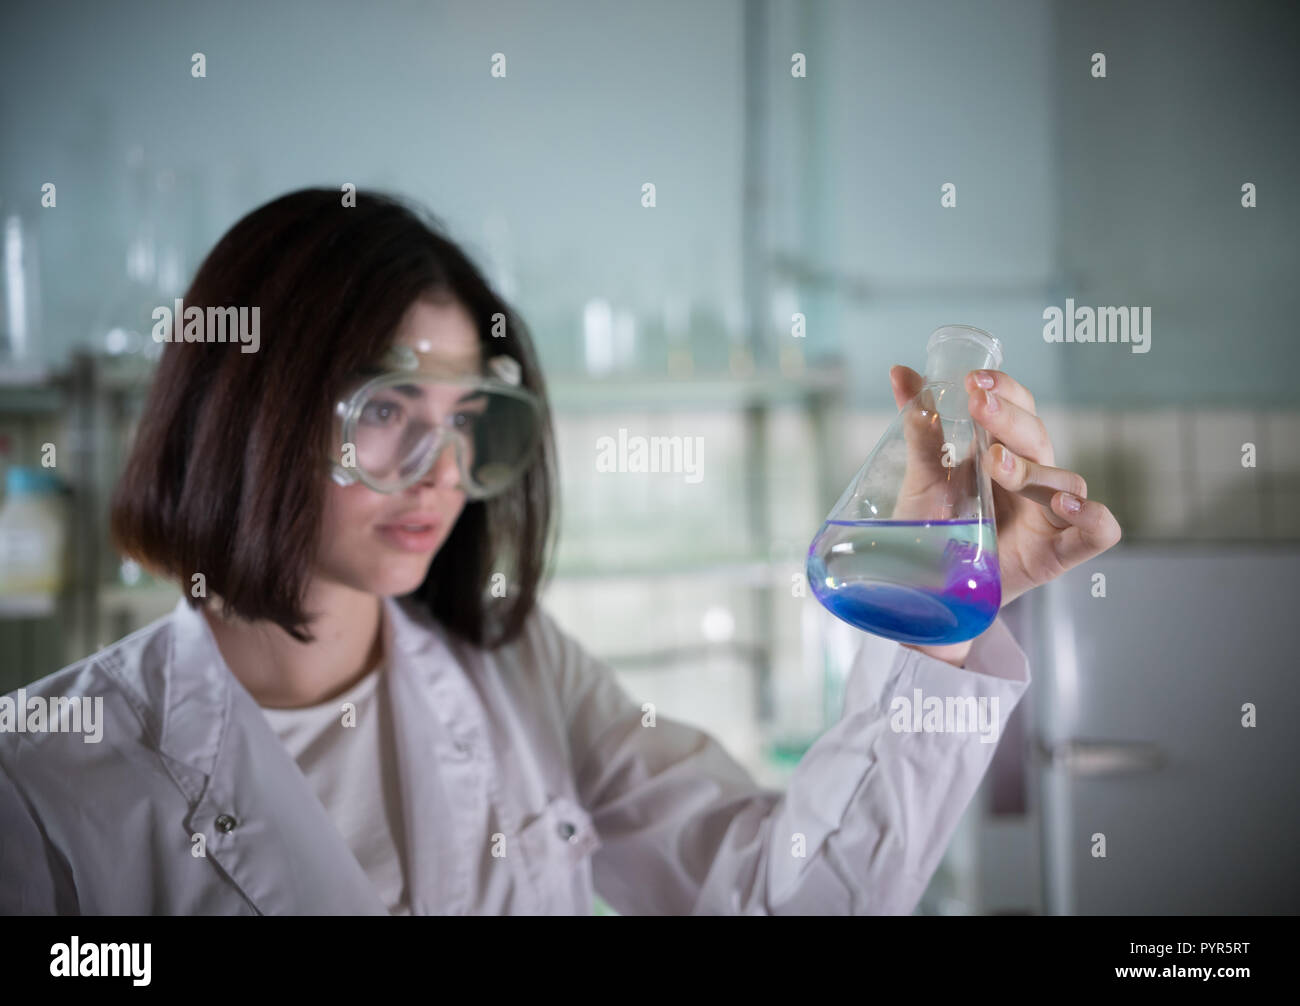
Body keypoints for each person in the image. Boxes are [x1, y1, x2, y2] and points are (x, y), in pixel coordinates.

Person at [0, 188, 1121, 915]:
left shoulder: (520, 668)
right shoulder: (47, 779)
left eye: (467, 420)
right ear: (248, 409)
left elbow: (791, 899)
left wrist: (953, 607)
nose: (442, 470)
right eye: (389, 407)